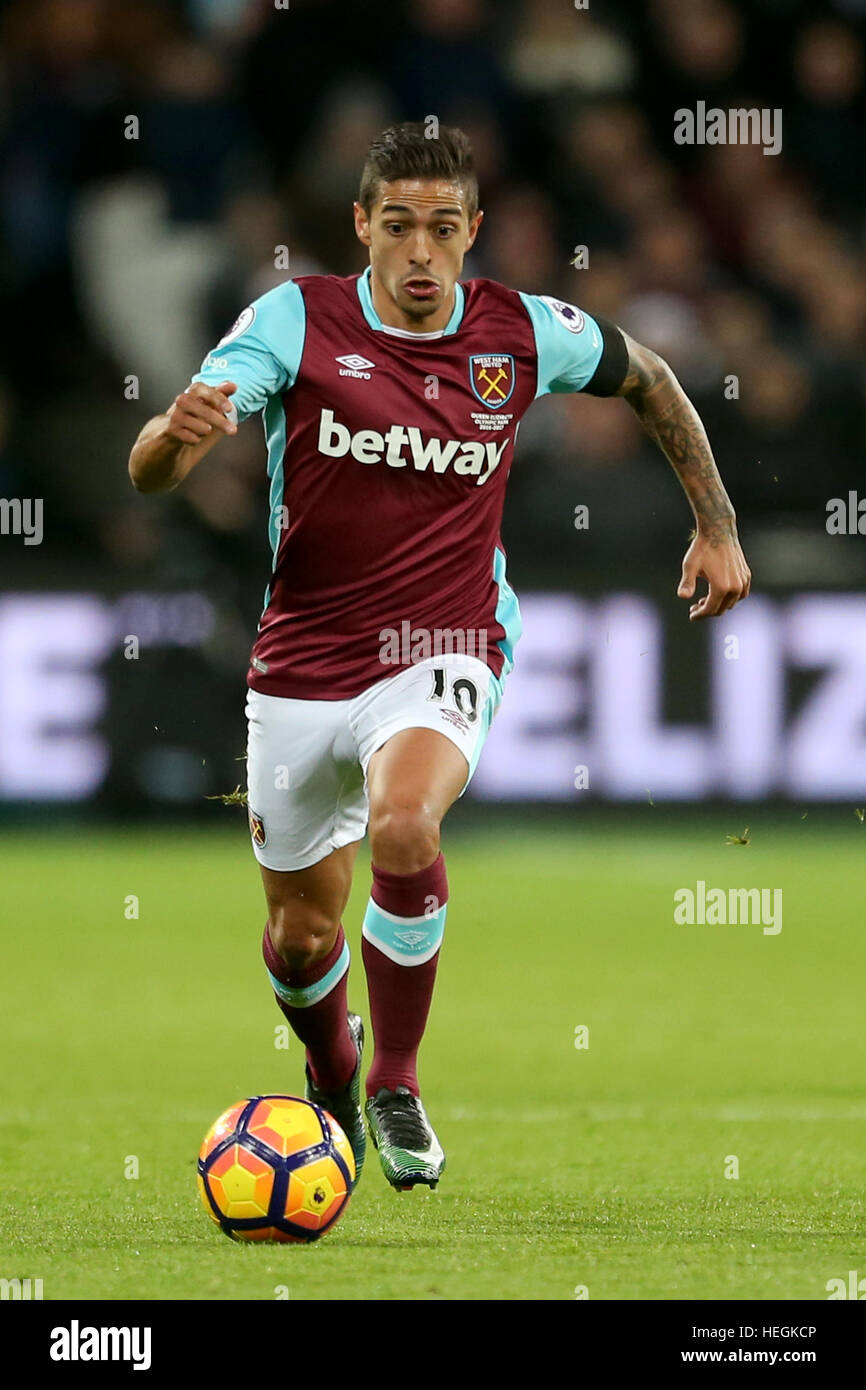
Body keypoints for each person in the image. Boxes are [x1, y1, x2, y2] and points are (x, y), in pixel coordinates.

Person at [128, 122, 751, 1193]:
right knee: (295, 934)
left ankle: (396, 1082)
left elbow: (648, 377)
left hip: (447, 639)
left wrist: (718, 523)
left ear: (472, 233)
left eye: (444, 229)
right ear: (362, 225)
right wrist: (175, 438)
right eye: (400, 226)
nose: (421, 252)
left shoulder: (520, 331)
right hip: (303, 658)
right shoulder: (295, 320)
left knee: (407, 822)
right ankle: (334, 1068)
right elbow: (152, 473)